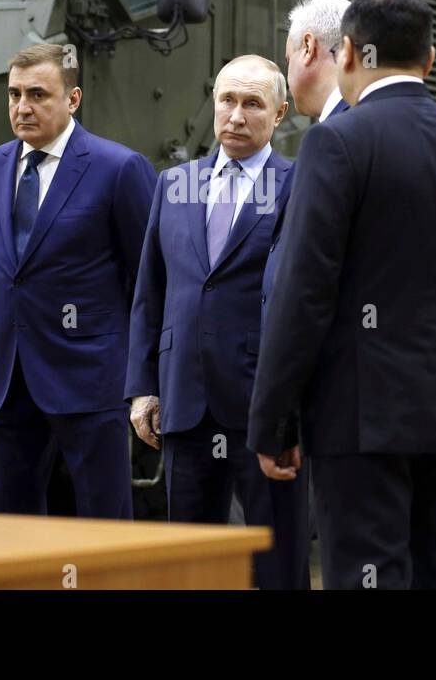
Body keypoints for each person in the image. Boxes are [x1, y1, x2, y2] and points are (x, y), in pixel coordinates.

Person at [248, 0, 436, 589]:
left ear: (346, 56)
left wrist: (273, 422)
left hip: (358, 420)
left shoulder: (338, 143)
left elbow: (303, 294)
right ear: (432, 59)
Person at [126, 55, 309, 589]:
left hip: (264, 407)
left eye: (253, 104)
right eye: (227, 100)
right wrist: (142, 388)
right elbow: (149, 291)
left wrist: (293, 401)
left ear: (279, 114)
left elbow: (306, 299)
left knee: (278, 560)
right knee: (190, 563)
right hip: (185, 402)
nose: (236, 115)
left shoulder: (300, 185)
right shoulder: (174, 185)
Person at [0, 43, 156, 519]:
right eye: (13, 94)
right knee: (9, 523)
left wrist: (141, 377)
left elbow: (149, 280)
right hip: (7, 380)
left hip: (91, 378)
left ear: (73, 99)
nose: (22, 107)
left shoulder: (119, 169)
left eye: (37, 94)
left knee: (104, 520)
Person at [264, 0, 351, 329]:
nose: (288, 75)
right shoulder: (346, 129)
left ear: (309, 47)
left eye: (288, 59)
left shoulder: (335, 140)